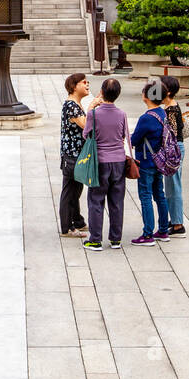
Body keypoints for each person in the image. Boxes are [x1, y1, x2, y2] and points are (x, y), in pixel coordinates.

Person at [81, 77, 128, 250]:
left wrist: (91, 107)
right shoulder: (122, 114)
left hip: (99, 161)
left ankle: (95, 239)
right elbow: (124, 135)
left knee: (96, 200)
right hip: (119, 160)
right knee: (116, 201)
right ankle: (115, 239)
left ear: (102, 92)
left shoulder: (94, 114)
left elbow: (86, 134)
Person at [129, 79, 172, 246]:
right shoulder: (162, 113)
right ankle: (162, 230)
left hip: (146, 161)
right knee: (159, 194)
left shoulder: (146, 118)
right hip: (159, 161)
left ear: (147, 96)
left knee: (145, 195)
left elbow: (134, 139)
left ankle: (147, 234)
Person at [58, 73, 90, 237]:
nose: (87, 84)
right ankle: (67, 227)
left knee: (76, 188)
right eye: (84, 82)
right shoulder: (71, 105)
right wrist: (93, 106)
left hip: (76, 153)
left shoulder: (76, 104)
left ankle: (78, 221)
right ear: (74, 85)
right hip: (72, 154)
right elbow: (85, 125)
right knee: (70, 190)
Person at [161, 75, 187, 236]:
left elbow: (173, 133)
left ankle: (178, 224)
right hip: (176, 148)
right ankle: (174, 219)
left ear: (168, 91)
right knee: (170, 185)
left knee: (173, 185)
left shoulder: (170, 109)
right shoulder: (171, 106)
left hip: (174, 149)